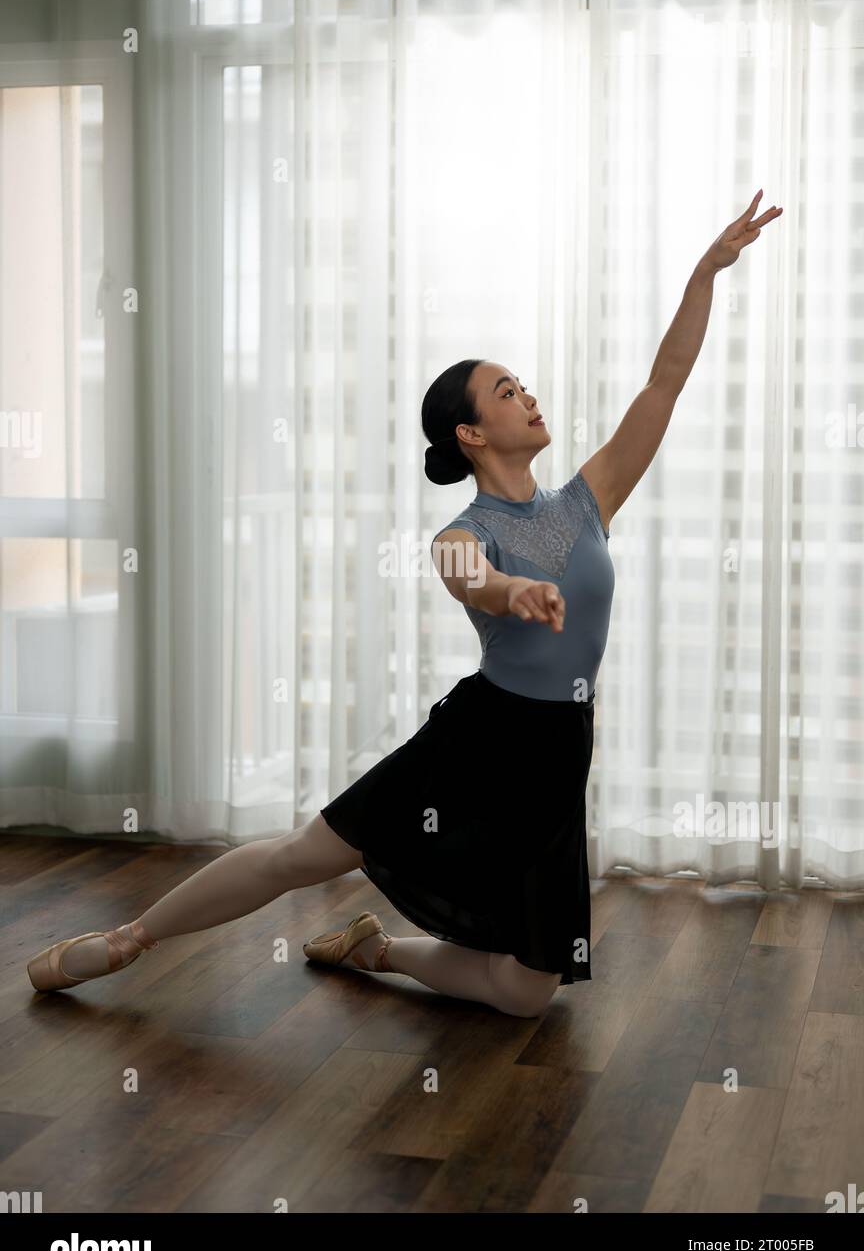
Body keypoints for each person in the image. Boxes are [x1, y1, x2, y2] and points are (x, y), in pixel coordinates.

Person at [26, 191, 782, 1016]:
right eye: (506, 391)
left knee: (530, 993)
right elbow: (467, 575)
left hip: (560, 748)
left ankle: (373, 948)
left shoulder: (586, 500)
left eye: (524, 385)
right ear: (472, 433)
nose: (529, 396)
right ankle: (128, 941)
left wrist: (706, 273)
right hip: (481, 737)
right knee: (303, 855)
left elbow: (663, 386)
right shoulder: (464, 531)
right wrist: (511, 589)